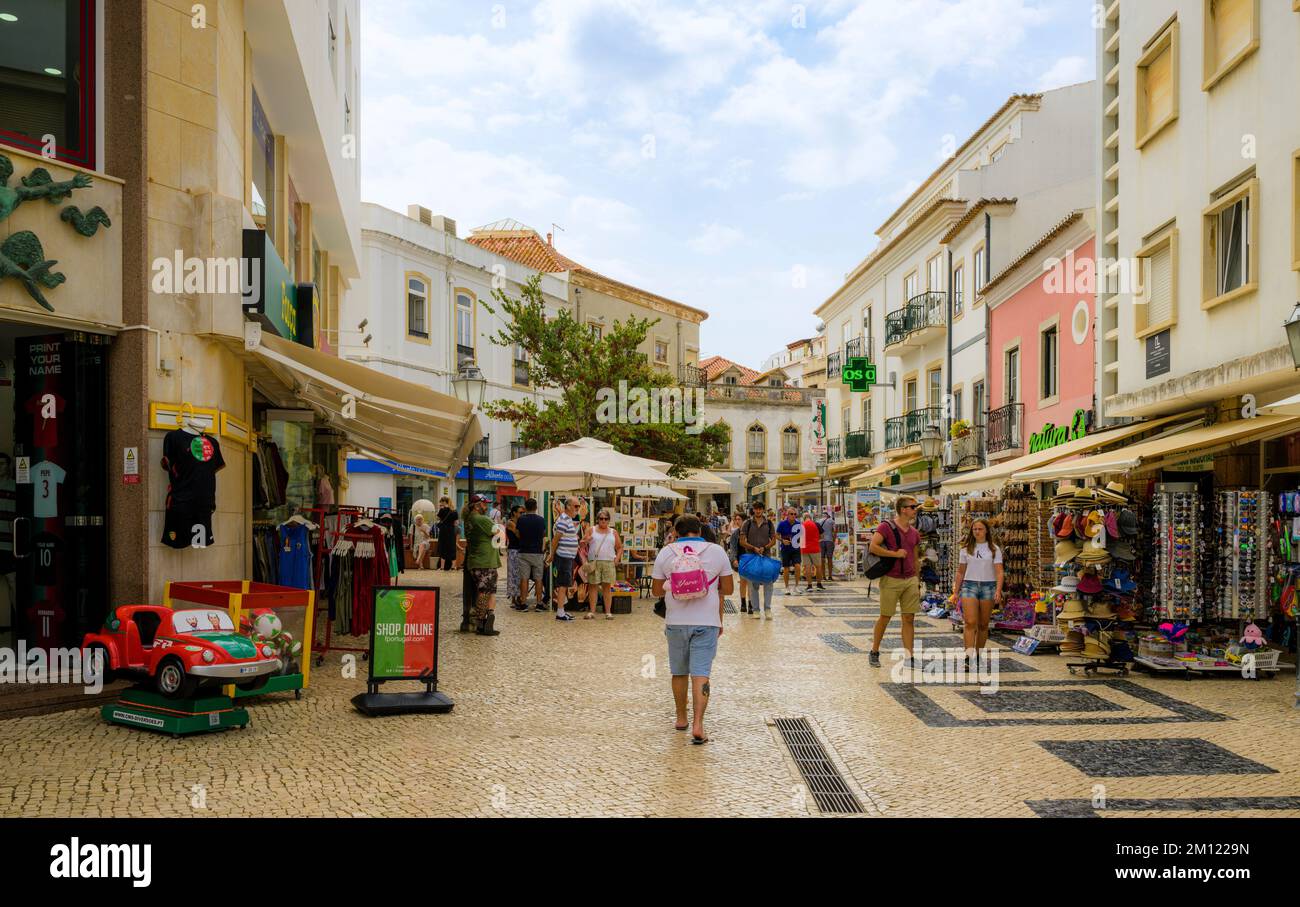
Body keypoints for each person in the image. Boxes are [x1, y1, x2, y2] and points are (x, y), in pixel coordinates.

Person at [652, 514, 733, 745]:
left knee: (679, 672)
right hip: (707, 621)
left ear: (675, 532)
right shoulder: (716, 551)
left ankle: (680, 718)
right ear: (700, 529)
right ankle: (698, 724)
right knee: (701, 674)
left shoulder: (666, 553)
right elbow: (727, 589)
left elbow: (657, 591)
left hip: (676, 621)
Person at [867, 495, 922, 667]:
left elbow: (915, 558)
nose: (915, 510)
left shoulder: (914, 533)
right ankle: (874, 651)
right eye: (913, 507)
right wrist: (894, 554)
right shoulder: (886, 527)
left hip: (910, 579)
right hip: (891, 578)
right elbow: (873, 546)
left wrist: (917, 580)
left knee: (909, 618)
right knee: (885, 616)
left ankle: (909, 656)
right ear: (903, 509)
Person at [953, 517, 1004, 664]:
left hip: (989, 586)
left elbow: (999, 572)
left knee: (983, 624)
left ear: (986, 530)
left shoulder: (994, 549)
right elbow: (960, 572)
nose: (977, 531)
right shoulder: (965, 549)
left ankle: (978, 654)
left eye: (980, 529)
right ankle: (968, 657)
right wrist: (956, 592)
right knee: (970, 622)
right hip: (969, 586)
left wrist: (998, 590)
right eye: (974, 529)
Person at [461, 494, 502, 636]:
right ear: (477, 506)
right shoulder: (481, 519)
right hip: (485, 561)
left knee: (486, 591)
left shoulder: (468, 520)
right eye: (484, 504)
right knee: (486, 592)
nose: (487, 506)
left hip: (475, 561)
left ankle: (486, 621)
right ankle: (482, 622)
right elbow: (498, 533)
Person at [737, 501, 777, 619]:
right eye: (756, 509)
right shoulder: (747, 523)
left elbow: (774, 540)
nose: (758, 511)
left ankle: (768, 608)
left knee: (768, 582)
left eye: (760, 509)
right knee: (753, 583)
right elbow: (742, 541)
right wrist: (753, 548)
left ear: (763, 510)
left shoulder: (769, 523)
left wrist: (765, 547)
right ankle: (756, 610)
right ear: (753, 510)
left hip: (766, 556)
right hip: (751, 556)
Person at [583, 508, 623, 619]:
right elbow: (582, 544)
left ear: (609, 520)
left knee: (607, 587)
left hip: (609, 562)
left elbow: (619, 547)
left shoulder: (613, 532)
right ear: (597, 520)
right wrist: (585, 541)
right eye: (601, 518)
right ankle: (592, 611)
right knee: (593, 586)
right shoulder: (591, 530)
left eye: (606, 519)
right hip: (594, 562)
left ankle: (608, 612)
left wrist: (617, 559)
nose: (603, 521)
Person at [546, 497, 581, 621]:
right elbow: (556, 539)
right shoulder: (563, 520)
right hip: (564, 556)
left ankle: (562, 610)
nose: (578, 509)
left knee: (565, 584)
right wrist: (551, 554)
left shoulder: (567, 519)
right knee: (563, 585)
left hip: (567, 557)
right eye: (576, 506)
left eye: (579, 506)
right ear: (568, 506)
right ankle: (560, 613)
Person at [514, 498, 548, 611]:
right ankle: (539, 603)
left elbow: (518, 534)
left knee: (524, 578)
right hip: (537, 553)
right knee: (539, 579)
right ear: (536, 507)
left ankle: (523, 603)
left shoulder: (521, 520)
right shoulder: (541, 520)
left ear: (525, 507)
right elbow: (543, 534)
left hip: (524, 552)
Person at [799, 510, 824, 593]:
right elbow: (822, 535)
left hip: (804, 549)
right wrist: (816, 540)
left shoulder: (801, 525)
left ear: (804, 518)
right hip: (815, 548)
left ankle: (809, 586)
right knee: (818, 566)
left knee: (807, 567)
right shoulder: (816, 524)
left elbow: (799, 538)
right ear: (810, 517)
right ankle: (819, 585)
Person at [505, 504, 522, 609]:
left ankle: (519, 597)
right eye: (520, 512)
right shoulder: (510, 522)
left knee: (519, 575)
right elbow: (519, 535)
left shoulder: (520, 522)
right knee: (513, 575)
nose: (522, 514)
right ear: (514, 513)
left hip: (519, 550)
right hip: (513, 551)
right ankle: (513, 599)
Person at [435, 497, 458, 570]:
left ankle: (442, 567)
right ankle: (453, 566)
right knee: (452, 548)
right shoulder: (454, 511)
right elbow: (456, 523)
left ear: (444, 502)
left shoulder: (442, 510)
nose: (440, 503)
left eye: (441, 502)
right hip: (451, 531)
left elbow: (437, 519)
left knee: (443, 548)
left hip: (443, 531)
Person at [817, 508, 837, 584]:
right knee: (829, 558)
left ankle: (823, 576)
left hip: (821, 541)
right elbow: (835, 531)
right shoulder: (832, 521)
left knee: (822, 558)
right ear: (828, 515)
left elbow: (817, 532)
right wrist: (834, 539)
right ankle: (830, 576)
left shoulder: (818, 521)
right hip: (829, 541)